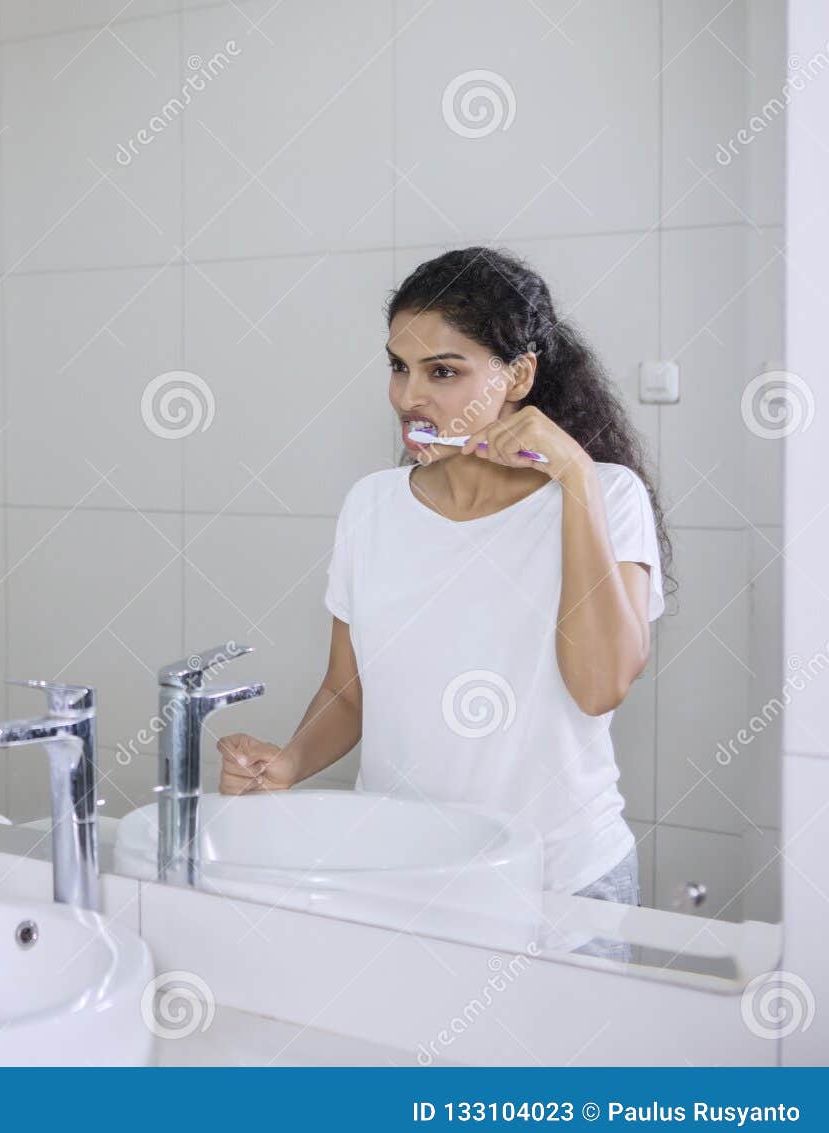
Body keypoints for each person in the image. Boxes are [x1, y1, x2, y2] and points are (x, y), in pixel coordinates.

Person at [217, 247, 669, 927]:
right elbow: (347, 690)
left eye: (444, 371)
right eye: (399, 367)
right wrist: (289, 762)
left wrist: (574, 476)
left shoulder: (606, 494)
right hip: (400, 873)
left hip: (562, 883)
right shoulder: (372, 506)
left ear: (519, 376)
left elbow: (602, 683)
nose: (409, 396)